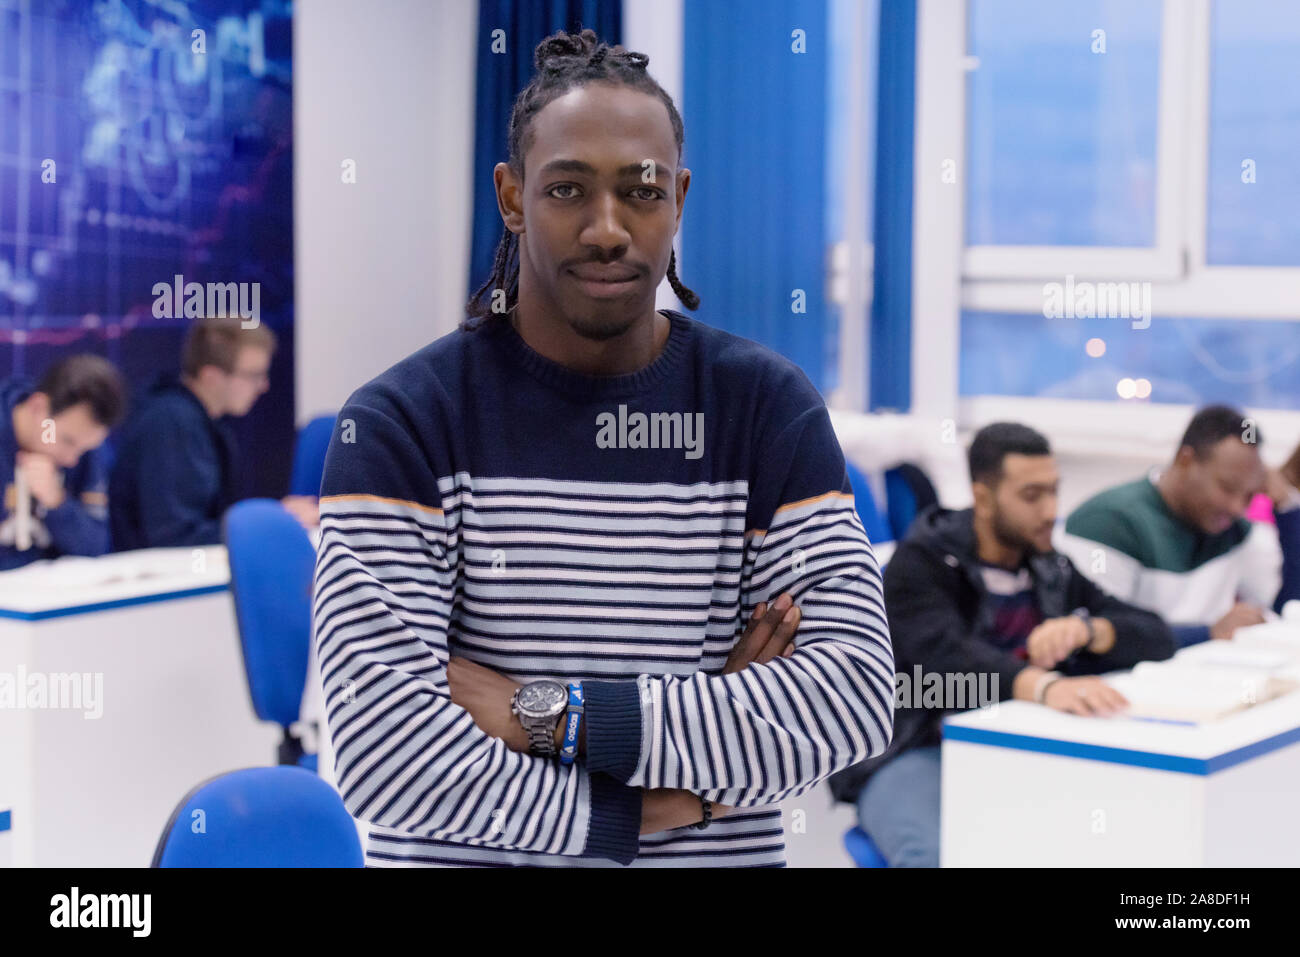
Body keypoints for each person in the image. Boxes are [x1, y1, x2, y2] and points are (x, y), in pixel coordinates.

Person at [312, 29, 895, 868]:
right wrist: (663, 803)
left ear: (680, 197)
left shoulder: (767, 409)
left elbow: (851, 703)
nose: (608, 230)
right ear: (512, 198)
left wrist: (537, 708)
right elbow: (386, 755)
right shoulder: (403, 422)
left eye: (642, 191)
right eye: (568, 190)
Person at [828, 423, 1175, 867]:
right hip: (916, 752)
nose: (1051, 510)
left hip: (1027, 751)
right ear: (985, 497)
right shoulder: (920, 565)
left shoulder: (1052, 568)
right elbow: (946, 661)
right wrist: (1043, 685)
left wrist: (1090, 630)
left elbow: (1155, 634)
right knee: (937, 857)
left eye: (1054, 491)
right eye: (1032, 496)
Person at [1058, 405, 1300, 646]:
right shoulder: (1108, 523)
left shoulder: (1235, 528)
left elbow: (1289, 610)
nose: (1238, 507)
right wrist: (1208, 633)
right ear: (1186, 460)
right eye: (1227, 487)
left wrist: (1288, 510)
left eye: (1249, 495)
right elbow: (1097, 636)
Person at [109, 318, 317, 550]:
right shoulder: (172, 424)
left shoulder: (196, 419)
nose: (263, 385)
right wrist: (275, 523)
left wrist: (276, 517)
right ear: (211, 376)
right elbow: (176, 537)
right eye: (252, 375)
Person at [0, 354, 127, 570]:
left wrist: (57, 502)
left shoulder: (84, 444)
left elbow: (95, 547)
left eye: (86, 448)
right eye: (67, 441)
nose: (72, 460)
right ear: (38, 407)